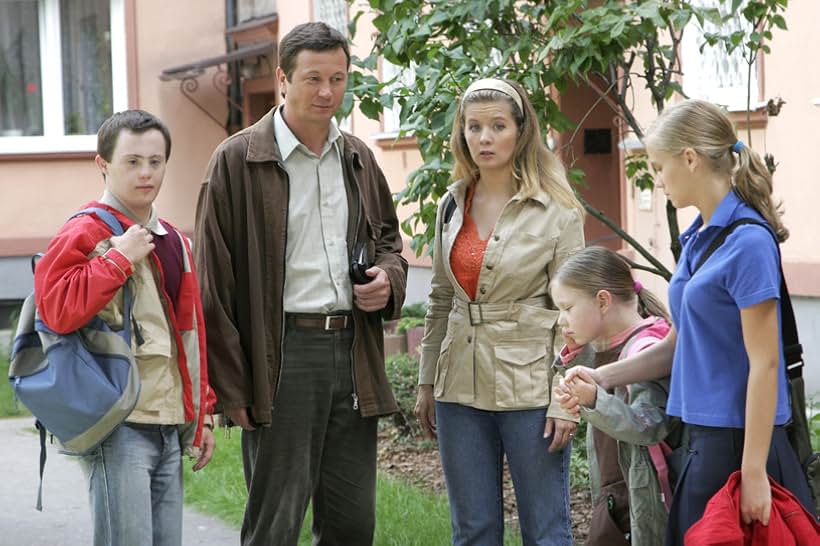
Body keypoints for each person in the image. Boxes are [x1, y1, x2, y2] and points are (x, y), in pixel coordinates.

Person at [558, 99, 815, 544]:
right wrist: (601, 375)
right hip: (699, 439)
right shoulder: (698, 238)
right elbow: (678, 345)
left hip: (739, 445)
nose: (658, 180)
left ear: (690, 159)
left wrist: (753, 471)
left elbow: (765, 364)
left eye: (660, 167)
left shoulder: (749, 241)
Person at [194, 21, 408, 546]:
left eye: (338, 78)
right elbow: (212, 284)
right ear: (283, 79)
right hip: (281, 357)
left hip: (353, 351)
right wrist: (232, 383)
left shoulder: (357, 156)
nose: (327, 91)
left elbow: (388, 242)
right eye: (313, 78)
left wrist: (387, 280)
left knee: (353, 525)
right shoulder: (237, 160)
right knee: (275, 525)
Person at [413, 76, 585, 546]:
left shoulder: (557, 210)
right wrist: (427, 380)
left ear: (520, 131)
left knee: (545, 530)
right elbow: (441, 299)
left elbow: (574, 316)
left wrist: (563, 399)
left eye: (497, 126)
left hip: (529, 389)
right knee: (473, 531)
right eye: (473, 127)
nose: (484, 138)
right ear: (461, 133)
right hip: (458, 389)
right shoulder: (451, 204)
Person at [34, 109, 216, 546]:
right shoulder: (83, 231)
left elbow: (189, 336)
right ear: (104, 164)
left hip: (168, 422)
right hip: (118, 424)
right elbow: (58, 309)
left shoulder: (174, 240)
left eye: (155, 161)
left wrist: (201, 414)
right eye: (132, 161)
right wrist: (118, 259)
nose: (146, 172)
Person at [551, 245, 677, 546]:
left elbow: (651, 424)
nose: (560, 320)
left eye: (567, 308)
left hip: (643, 505)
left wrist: (595, 400)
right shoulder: (603, 346)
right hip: (617, 502)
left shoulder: (645, 349)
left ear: (603, 301)